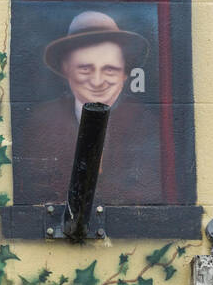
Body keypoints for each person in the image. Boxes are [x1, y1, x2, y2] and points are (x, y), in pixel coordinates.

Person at [16, 11, 163, 207]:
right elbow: (35, 190)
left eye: (110, 69)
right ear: (66, 69)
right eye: (85, 69)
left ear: (125, 73)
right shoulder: (41, 121)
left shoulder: (145, 122)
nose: (97, 81)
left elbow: (148, 193)